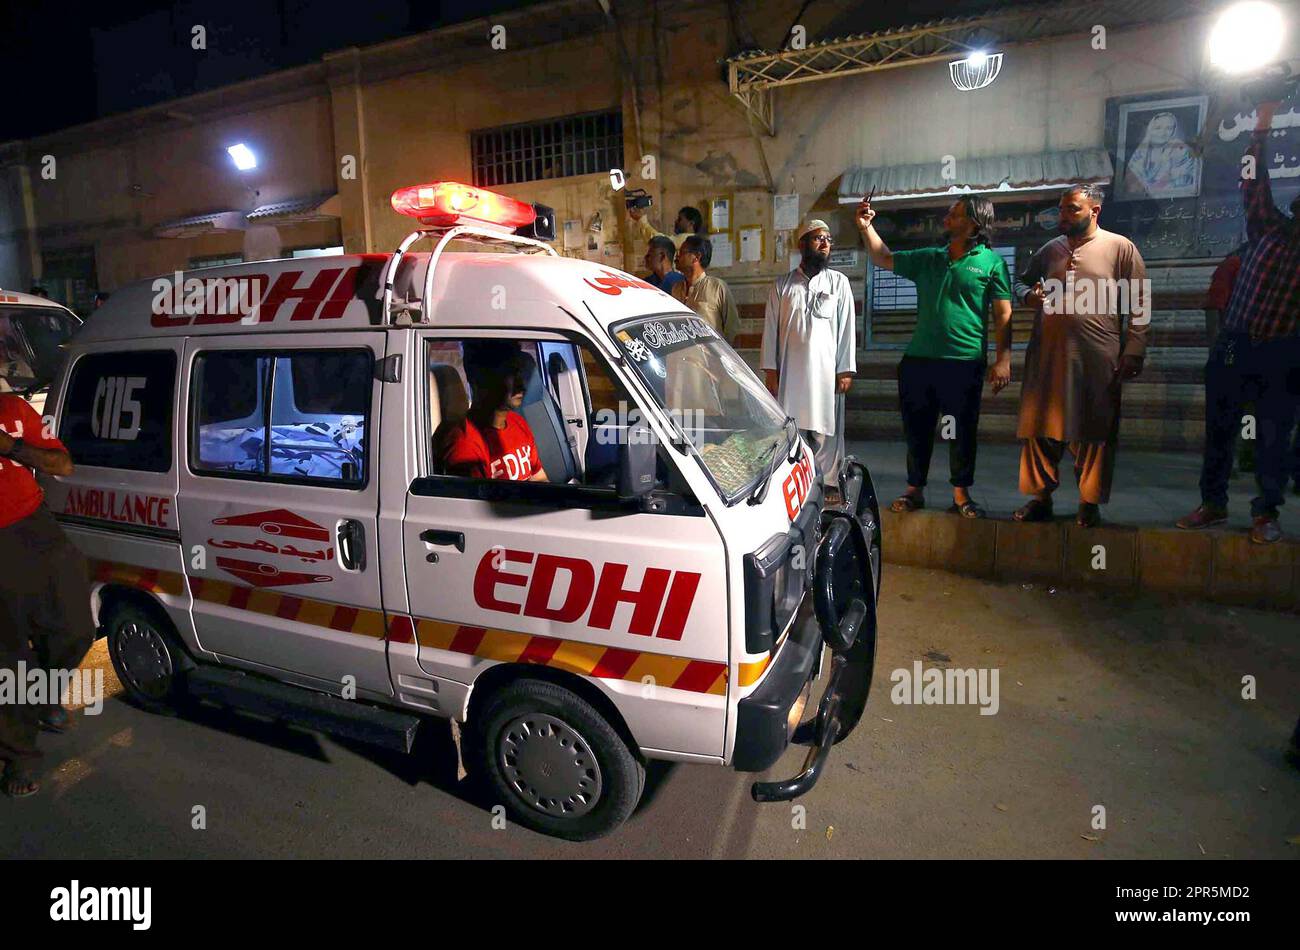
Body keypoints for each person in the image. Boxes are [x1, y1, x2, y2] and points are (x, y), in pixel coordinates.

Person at [1176, 98, 1300, 544]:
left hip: (1283, 354)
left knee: (1272, 437)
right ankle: (1213, 504)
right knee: (1221, 430)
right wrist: (1263, 123)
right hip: (1235, 346)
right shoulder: (1269, 228)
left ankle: (1265, 513)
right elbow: (1252, 175)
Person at [857, 194, 1013, 518]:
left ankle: (961, 495)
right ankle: (915, 490)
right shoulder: (930, 258)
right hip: (919, 361)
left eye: (954, 215)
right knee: (918, 428)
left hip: (963, 362)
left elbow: (1003, 315)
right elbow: (882, 257)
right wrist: (865, 226)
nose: (946, 219)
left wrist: (1003, 359)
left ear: (974, 222)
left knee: (958, 429)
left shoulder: (992, 263)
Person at [1012, 183, 1149, 527]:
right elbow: (1019, 284)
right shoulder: (1049, 249)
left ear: (1094, 211)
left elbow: (1140, 303)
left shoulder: (1120, 248)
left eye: (1071, 209)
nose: (1063, 215)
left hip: (1097, 359)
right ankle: (1040, 499)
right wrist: (1029, 297)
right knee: (1040, 428)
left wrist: (1133, 349)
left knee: (1094, 430)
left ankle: (1088, 503)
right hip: (1047, 357)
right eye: (1061, 209)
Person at [0, 392, 94, 797]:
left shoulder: (13, 409)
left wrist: (12, 447)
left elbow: (63, 464)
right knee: (10, 656)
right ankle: (19, 756)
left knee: (76, 627)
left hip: (38, 529)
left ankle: (41, 697)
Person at [760, 219, 856, 495]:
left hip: (827, 374)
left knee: (828, 432)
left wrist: (845, 369)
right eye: (818, 239)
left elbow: (847, 329)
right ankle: (797, 482)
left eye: (828, 239)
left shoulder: (839, 283)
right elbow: (770, 330)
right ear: (802, 244)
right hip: (791, 373)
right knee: (792, 428)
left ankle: (827, 485)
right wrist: (771, 370)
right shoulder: (782, 286)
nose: (825, 244)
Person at [438, 341, 548, 482]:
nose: (521, 384)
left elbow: (539, 477)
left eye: (519, 373)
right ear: (479, 378)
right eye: (509, 374)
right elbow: (477, 504)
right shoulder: (465, 446)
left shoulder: (517, 422)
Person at [672, 235, 741, 344]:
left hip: (710, 359)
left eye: (682, 252)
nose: (677, 257)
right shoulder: (676, 289)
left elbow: (732, 329)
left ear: (697, 257)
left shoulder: (717, 287)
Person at [1121, 111, 1198, 199]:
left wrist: (1155, 187)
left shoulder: (1179, 148)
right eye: (1158, 128)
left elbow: (1182, 178)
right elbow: (1131, 180)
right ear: (1150, 129)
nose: (1163, 133)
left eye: (1169, 128)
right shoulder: (1142, 150)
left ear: (1173, 131)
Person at [628, 204, 707, 250]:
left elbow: (660, 241)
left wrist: (641, 220)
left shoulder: (686, 240)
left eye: (680, 219)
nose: (676, 221)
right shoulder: (686, 240)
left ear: (691, 223)